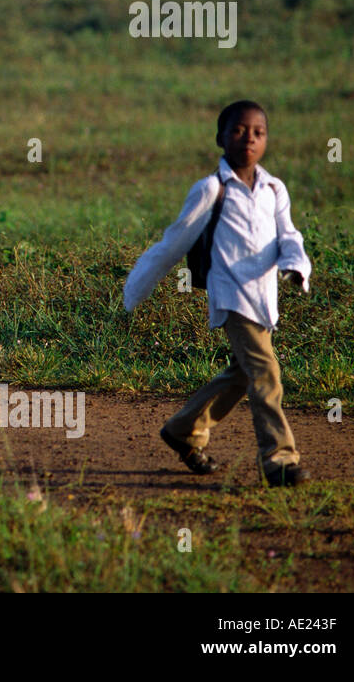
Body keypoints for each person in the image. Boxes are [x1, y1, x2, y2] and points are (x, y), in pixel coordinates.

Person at [124, 100, 312, 487]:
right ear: (220, 138)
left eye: (258, 132)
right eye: (239, 131)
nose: (249, 139)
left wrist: (297, 265)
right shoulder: (211, 189)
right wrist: (137, 287)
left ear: (267, 140)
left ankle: (183, 429)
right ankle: (278, 459)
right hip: (232, 297)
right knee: (266, 373)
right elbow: (175, 241)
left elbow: (289, 234)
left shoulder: (274, 189)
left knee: (242, 376)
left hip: (264, 297)